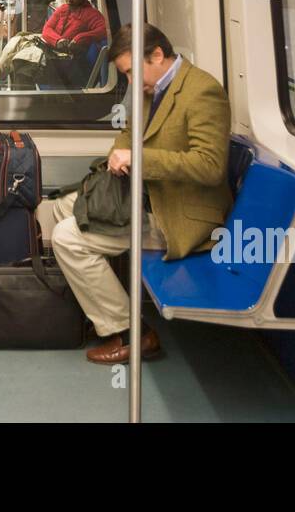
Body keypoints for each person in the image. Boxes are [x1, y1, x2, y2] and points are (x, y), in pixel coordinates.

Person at [49, 23, 231, 364]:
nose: (131, 82)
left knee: (67, 237)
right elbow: (129, 134)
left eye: (132, 71)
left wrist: (139, 159)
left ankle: (133, 332)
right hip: (146, 196)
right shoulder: (153, 87)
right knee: (61, 207)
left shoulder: (203, 92)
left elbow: (210, 166)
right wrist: (117, 157)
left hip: (179, 213)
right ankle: (102, 306)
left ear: (157, 55)